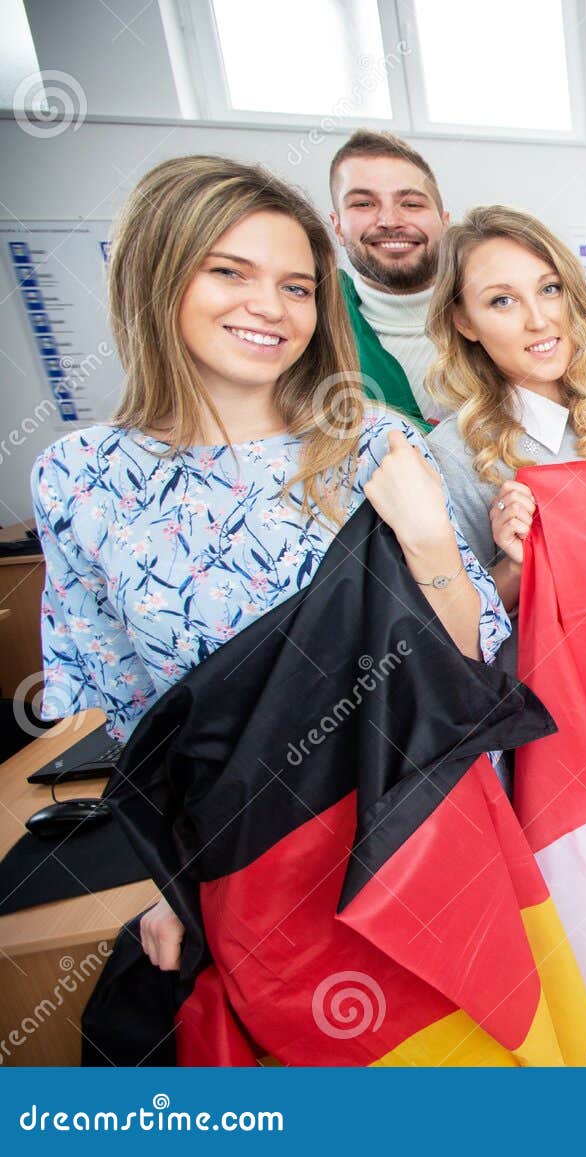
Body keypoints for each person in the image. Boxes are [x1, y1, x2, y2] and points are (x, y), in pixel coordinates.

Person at [31, 155, 505, 971]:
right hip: (239, 867)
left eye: (296, 286)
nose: (270, 307)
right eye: (229, 272)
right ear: (157, 274)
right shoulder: (81, 477)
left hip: (412, 840)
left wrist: (430, 541)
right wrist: (159, 877)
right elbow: (116, 712)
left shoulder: (373, 441)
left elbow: (474, 663)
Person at [424, 205, 586, 616]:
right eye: (502, 301)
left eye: (549, 289)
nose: (538, 320)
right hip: (535, 677)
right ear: (464, 322)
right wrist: (513, 567)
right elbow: (452, 625)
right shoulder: (452, 454)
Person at [329, 129, 451, 426]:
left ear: (444, 222)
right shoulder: (314, 333)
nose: (390, 221)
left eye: (411, 204)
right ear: (337, 226)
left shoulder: (501, 323)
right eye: (363, 204)